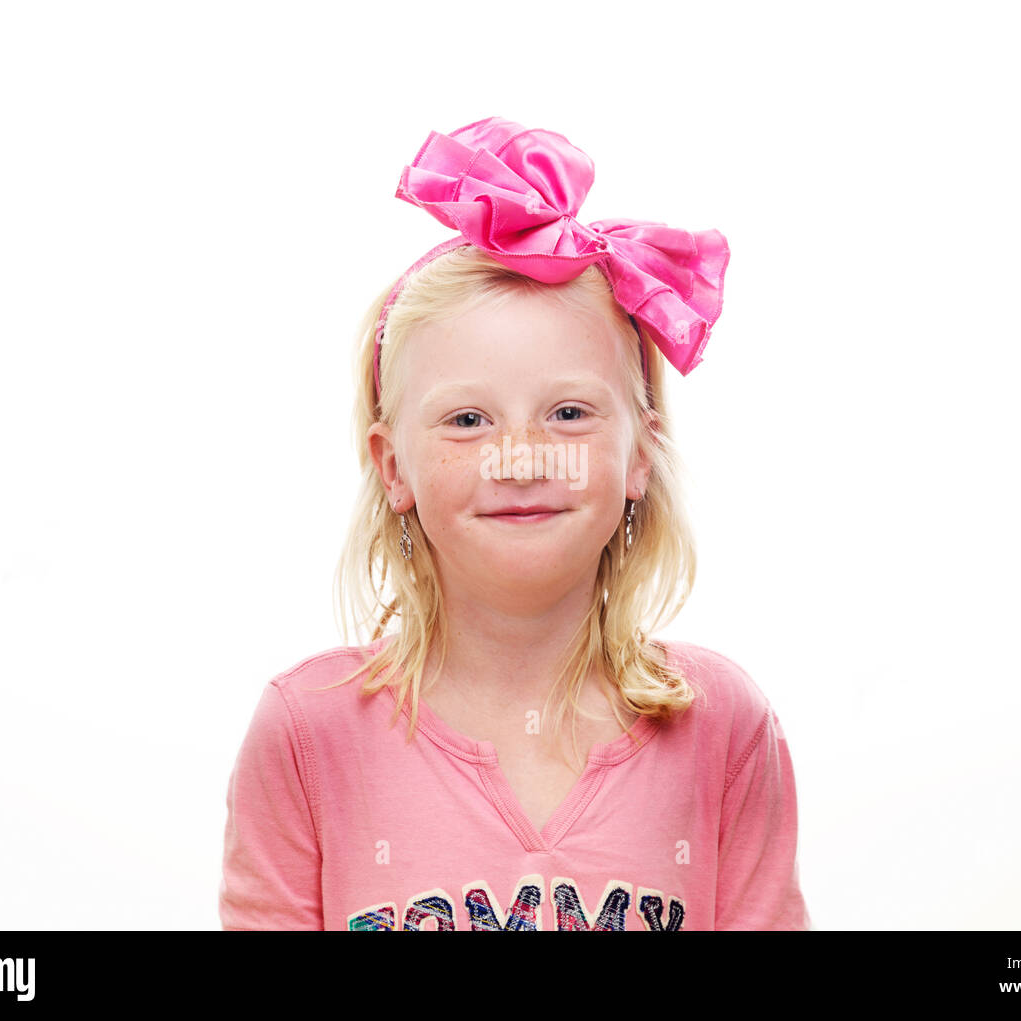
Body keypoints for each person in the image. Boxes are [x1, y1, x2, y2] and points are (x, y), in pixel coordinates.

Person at [219, 117, 810, 931]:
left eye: (568, 412)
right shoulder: (305, 735)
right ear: (395, 466)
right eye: (467, 420)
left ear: (641, 454)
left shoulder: (724, 727)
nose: (521, 459)